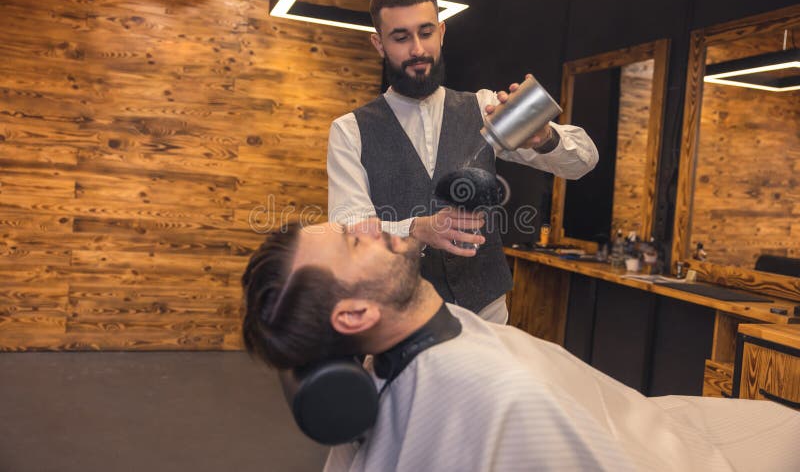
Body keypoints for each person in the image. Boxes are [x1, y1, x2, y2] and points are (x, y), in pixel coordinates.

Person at [242, 220, 800, 472]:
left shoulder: (412, 348)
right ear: (357, 313)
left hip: (649, 423)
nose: (366, 226)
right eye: (350, 241)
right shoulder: (498, 393)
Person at [327, 0, 599, 324]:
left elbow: (584, 161)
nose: (417, 50)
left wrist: (544, 137)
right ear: (379, 44)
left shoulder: (484, 108)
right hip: (396, 315)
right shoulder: (350, 131)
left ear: (441, 31)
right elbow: (347, 227)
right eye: (400, 37)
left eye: (426, 33)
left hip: (485, 311)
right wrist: (416, 228)